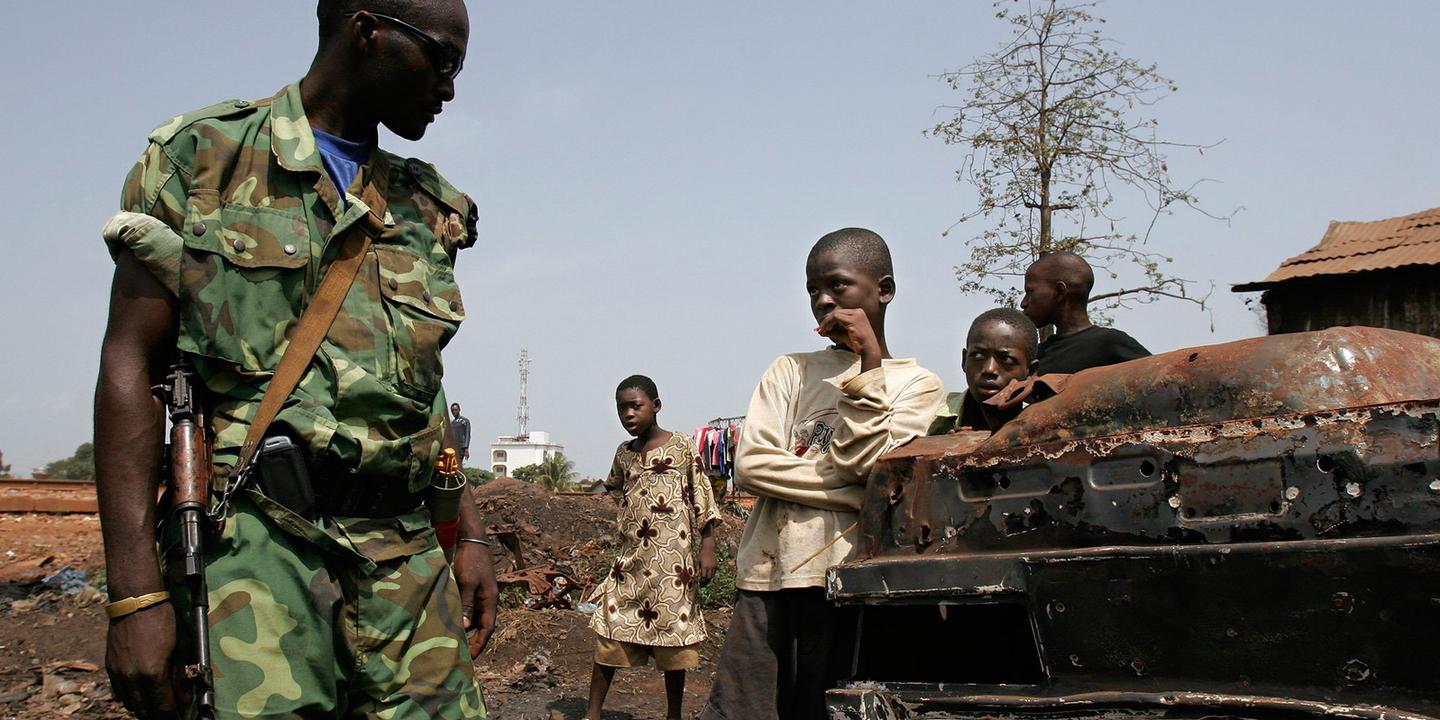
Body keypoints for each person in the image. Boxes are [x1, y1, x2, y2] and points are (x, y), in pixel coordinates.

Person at [93, 2, 497, 718]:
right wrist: (134, 593)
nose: (450, 88)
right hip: (258, 548)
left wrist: (465, 531)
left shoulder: (426, 204)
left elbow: (419, 388)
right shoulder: (205, 157)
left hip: (404, 559)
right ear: (368, 31)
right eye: (442, 60)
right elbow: (130, 364)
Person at [701, 228, 945, 720]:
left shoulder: (918, 385)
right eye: (813, 290)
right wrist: (856, 494)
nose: (823, 300)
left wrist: (870, 364)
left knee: (828, 704)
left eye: (837, 286)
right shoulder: (790, 369)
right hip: (770, 573)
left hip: (847, 574)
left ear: (884, 289)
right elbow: (751, 466)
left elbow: (867, 467)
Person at [584, 375, 721, 720]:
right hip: (630, 563)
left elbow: (702, 494)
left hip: (672, 566)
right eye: (622, 408)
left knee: (674, 640)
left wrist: (707, 544)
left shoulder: (682, 446)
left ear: (655, 406)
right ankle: (593, 713)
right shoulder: (624, 454)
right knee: (610, 629)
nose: (628, 414)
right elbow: (614, 489)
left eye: (636, 406)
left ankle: (673, 714)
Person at [1021, 251, 1151, 375]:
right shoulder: (1035, 357)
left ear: (1059, 292)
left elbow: (1160, 380)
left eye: (1029, 291)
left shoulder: (1109, 343)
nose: (1023, 303)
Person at [929, 308, 1039, 434]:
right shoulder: (929, 414)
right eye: (978, 356)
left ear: (1030, 371)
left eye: (1006, 359)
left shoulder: (1043, 426)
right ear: (964, 360)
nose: (989, 369)